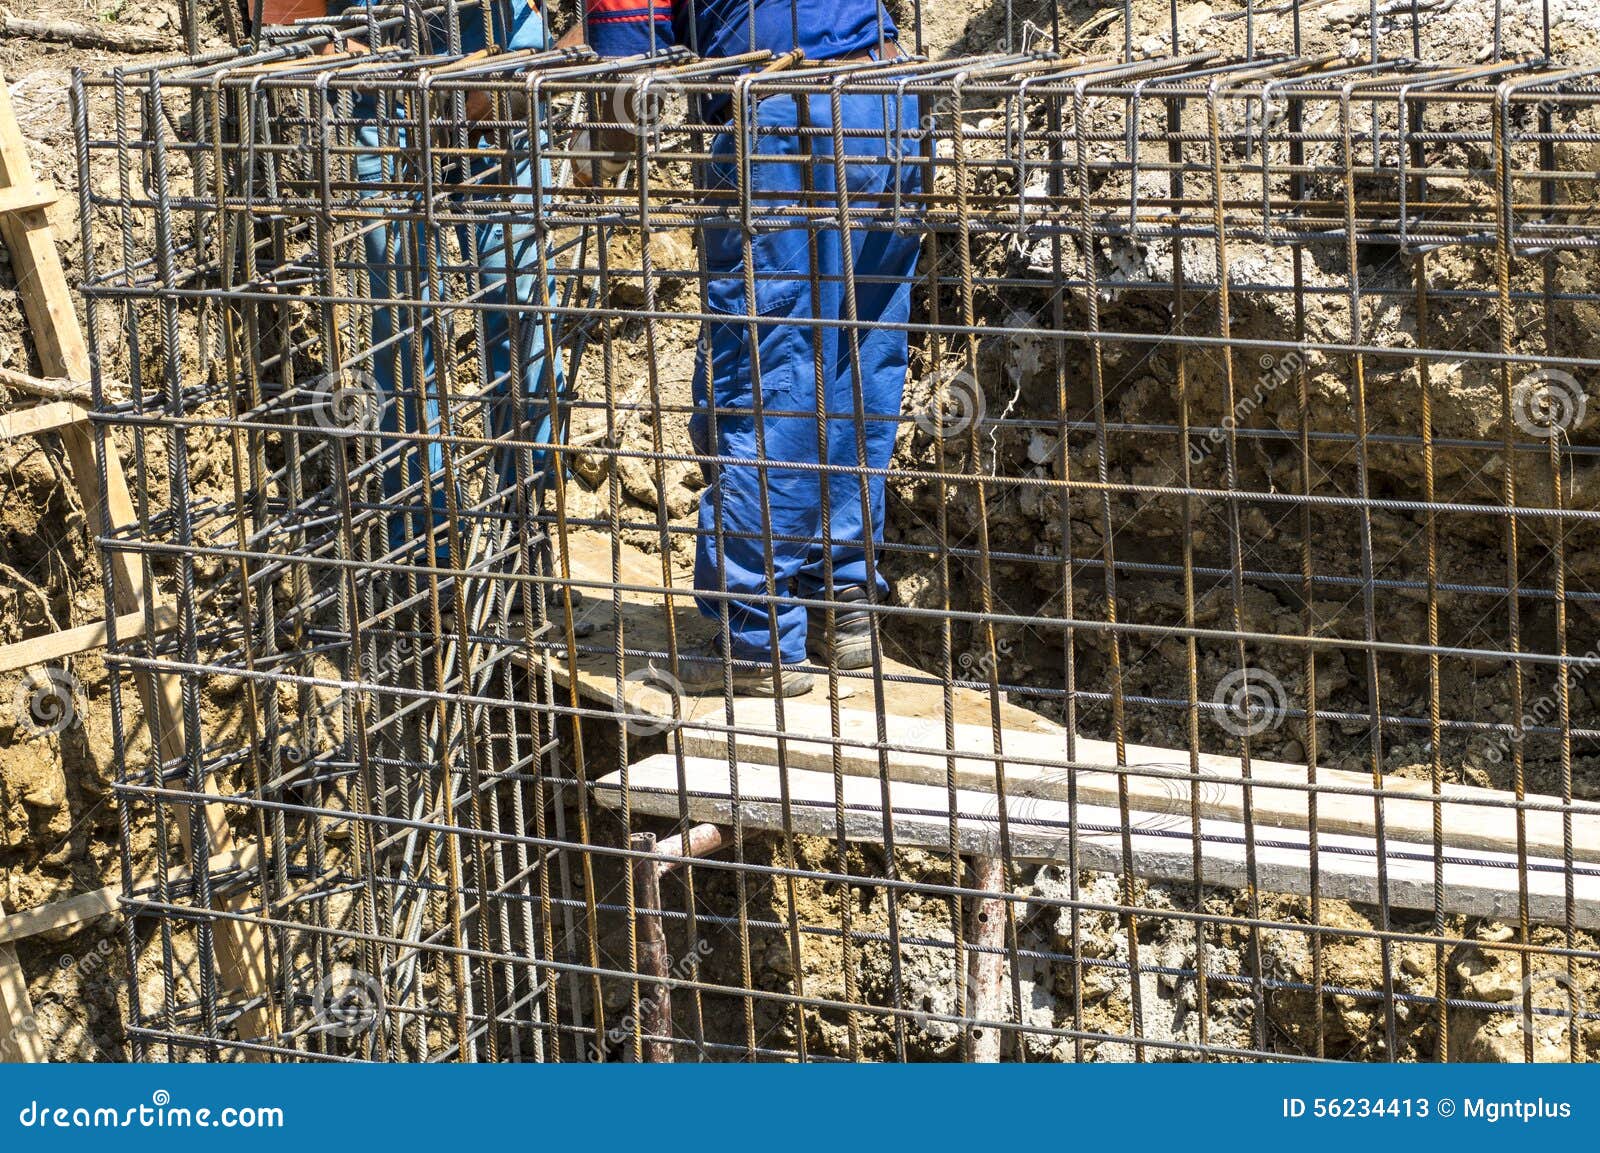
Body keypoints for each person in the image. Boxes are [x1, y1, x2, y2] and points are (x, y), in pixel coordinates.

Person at [581, 0, 922, 696]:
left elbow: (627, 93)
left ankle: (754, 637)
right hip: (891, 104)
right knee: (856, 365)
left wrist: (587, 157)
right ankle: (842, 604)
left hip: (787, 127)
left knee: (770, 379)